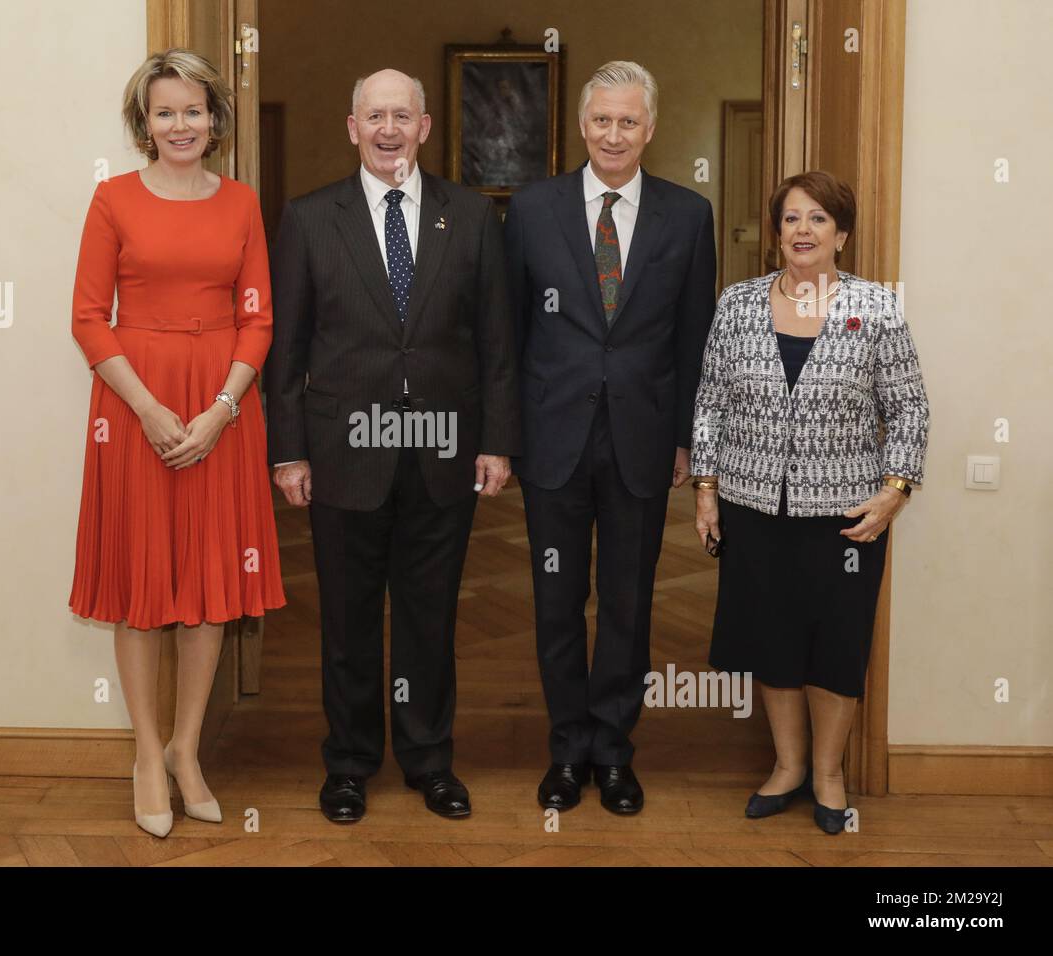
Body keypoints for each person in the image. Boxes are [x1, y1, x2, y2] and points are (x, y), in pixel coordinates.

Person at [265, 68, 519, 823]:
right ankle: (347, 765)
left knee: (430, 617)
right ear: (352, 128)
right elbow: (288, 350)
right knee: (346, 621)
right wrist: (288, 452)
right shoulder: (311, 219)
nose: (387, 129)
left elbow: (498, 343)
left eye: (401, 116)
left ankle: (428, 760)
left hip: (444, 452)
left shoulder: (471, 217)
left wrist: (498, 442)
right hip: (343, 453)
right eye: (374, 116)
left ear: (425, 126)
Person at [68, 49, 286, 837]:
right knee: (141, 582)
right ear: (144, 123)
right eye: (165, 112)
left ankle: (188, 750)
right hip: (133, 409)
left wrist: (220, 410)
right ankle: (146, 753)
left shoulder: (241, 204)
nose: (181, 124)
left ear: (214, 119)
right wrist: (152, 411)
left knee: (208, 583)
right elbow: (89, 316)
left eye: (193, 110)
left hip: (222, 411)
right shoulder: (113, 199)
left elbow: (258, 316)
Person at [504, 60, 716, 816]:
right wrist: (504, 436)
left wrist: (692, 437)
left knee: (628, 603)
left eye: (629, 121)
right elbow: (510, 335)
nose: (615, 134)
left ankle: (614, 753)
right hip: (553, 440)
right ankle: (568, 752)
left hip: (642, 439)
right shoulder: (532, 210)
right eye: (602, 120)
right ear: (582, 126)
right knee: (557, 602)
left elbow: (695, 337)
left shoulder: (688, 216)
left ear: (650, 128)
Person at [690, 170, 929, 834]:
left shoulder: (874, 308)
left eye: (818, 219)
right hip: (752, 504)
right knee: (774, 640)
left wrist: (894, 492)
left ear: (841, 234)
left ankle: (828, 774)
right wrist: (706, 490)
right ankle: (788, 766)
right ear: (777, 232)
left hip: (848, 516)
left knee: (835, 644)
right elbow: (708, 403)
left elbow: (909, 409)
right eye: (792, 218)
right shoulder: (735, 304)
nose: (803, 230)